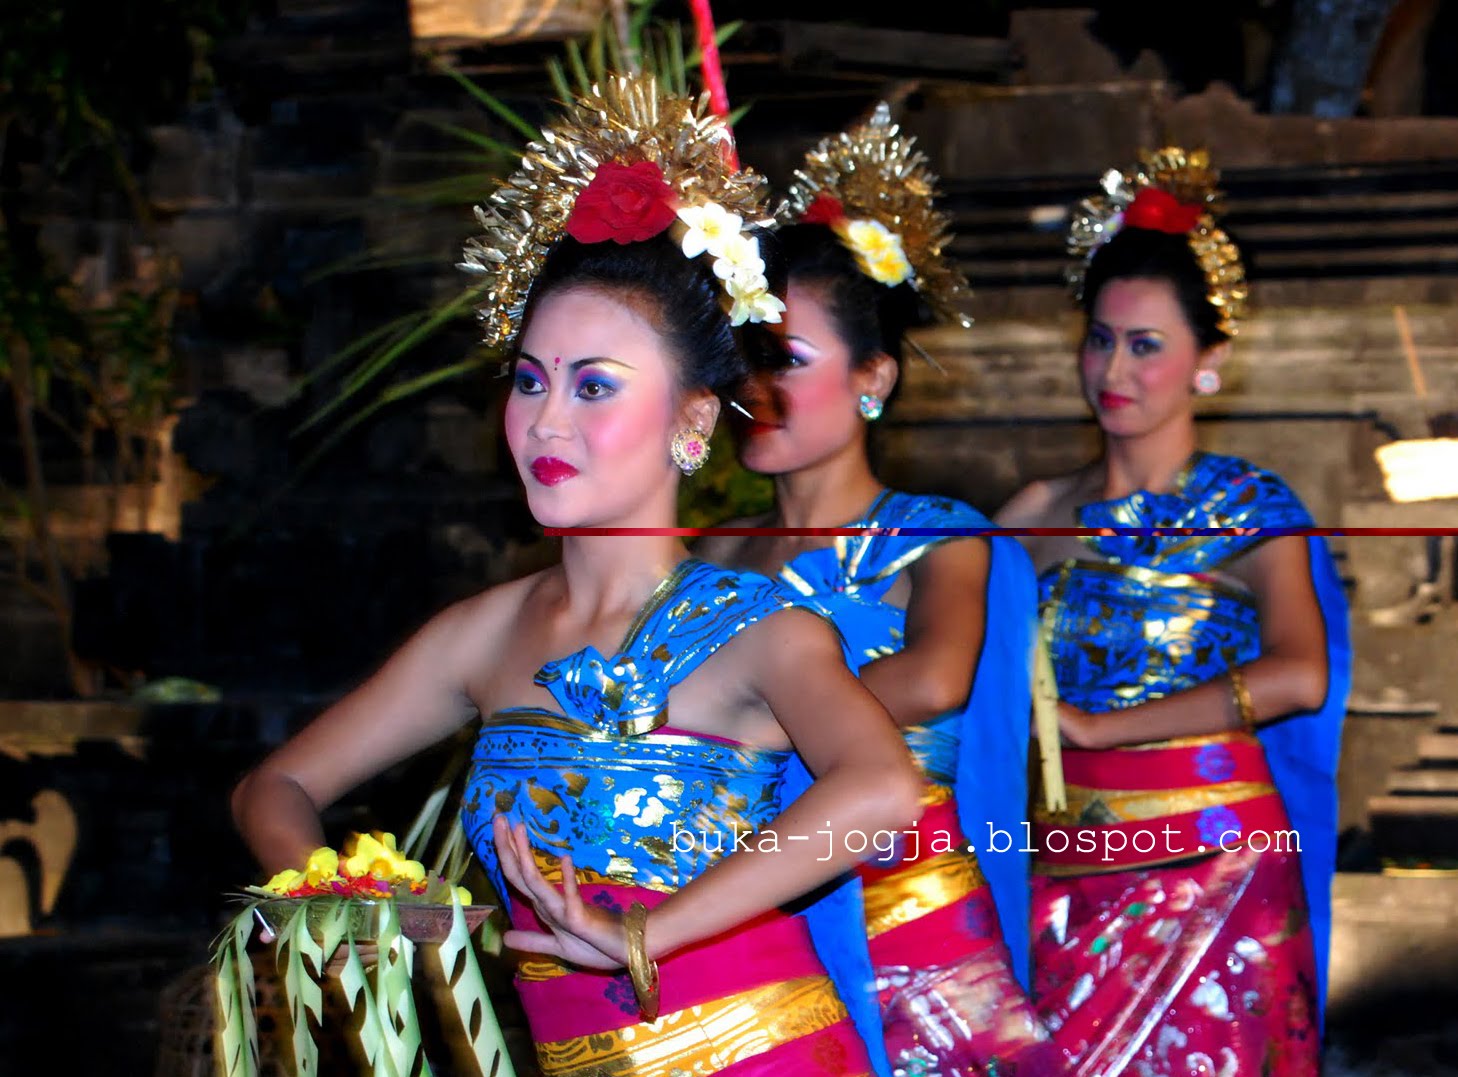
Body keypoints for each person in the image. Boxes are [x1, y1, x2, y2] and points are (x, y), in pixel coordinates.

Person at [231, 75, 925, 1077]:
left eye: (595, 386)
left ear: (693, 423)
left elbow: (881, 791)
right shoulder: (479, 636)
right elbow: (277, 786)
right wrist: (352, 907)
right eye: (529, 380)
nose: (546, 422)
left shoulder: (759, 629)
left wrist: (656, 930)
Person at [699, 105, 1058, 1076]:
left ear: (874, 378)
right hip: (745, 912)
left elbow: (938, 678)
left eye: (786, 359)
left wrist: (744, 721)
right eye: (738, 357)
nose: (752, 384)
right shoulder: (712, 555)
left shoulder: (939, 539)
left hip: (913, 933)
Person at [996, 147, 1352, 1075]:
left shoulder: (1251, 505)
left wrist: (1101, 723)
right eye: (1100, 338)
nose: (1115, 366)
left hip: (1218, 863)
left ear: (1209, 363)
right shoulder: (1030, 517)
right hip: (1061, 862)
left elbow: (1299, 673)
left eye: (1146, 344)